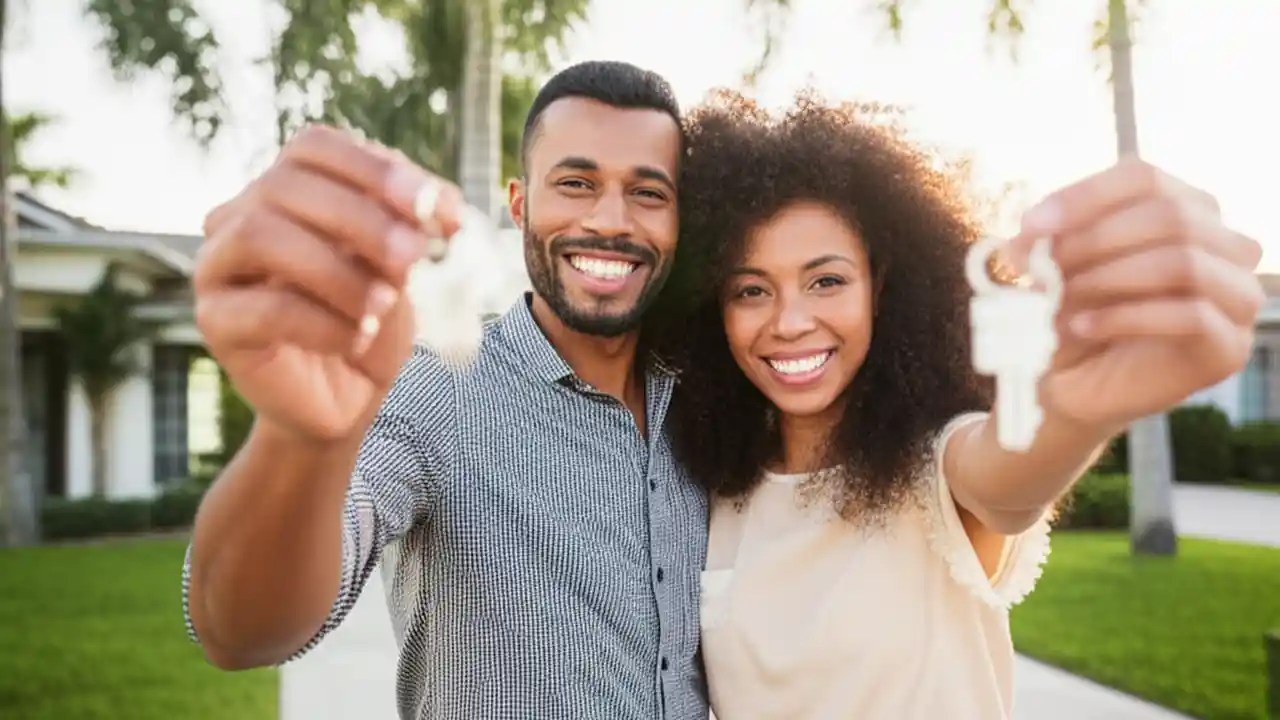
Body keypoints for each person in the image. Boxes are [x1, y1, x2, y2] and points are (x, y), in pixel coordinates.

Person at [657, 90, 1264, 720]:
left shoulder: (934, 468)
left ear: (881, 287)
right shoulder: (715, 491)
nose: (789, 322)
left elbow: (1008, 476)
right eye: (751, 290)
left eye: (827, 281)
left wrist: (1077, 409)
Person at [182, 61, 710, 720]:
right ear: (520, 205)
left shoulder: (701, 399)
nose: (611, 219)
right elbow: (238, 630)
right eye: (575, 184)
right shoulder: (440, 384)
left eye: (648, 193)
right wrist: (301, 438)